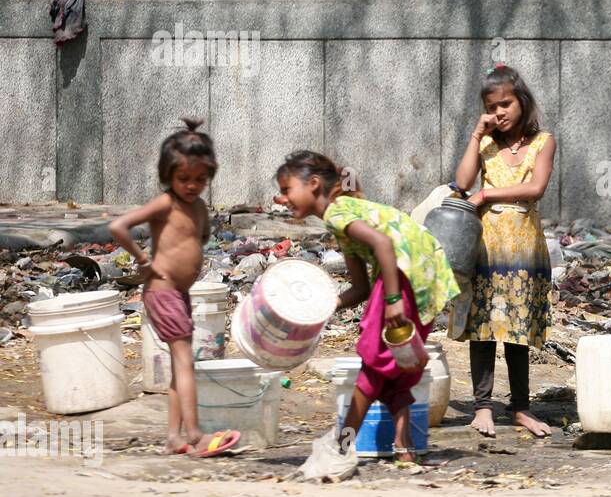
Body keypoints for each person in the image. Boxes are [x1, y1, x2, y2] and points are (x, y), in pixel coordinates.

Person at [274, 151, 459, 462]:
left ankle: (341, 447)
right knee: (394, 367)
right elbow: (359, 288)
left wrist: (392, 299)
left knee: (373, 366)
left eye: (286, 189)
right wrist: (321, 308)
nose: (281, 199)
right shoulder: (342, 217)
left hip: (404, 275)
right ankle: (406, 449)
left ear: (314, 184)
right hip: (422, 273)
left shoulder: (337, 213)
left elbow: (384, 246)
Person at [109, 118, 241, 457]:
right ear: (168, 176)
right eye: (183, 178)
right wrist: (141, 258)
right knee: (185, 362)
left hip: (178, 294)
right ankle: (195, 433)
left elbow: (197, 236)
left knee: (178, 365)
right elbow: (119, 226)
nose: (192, 185)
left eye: (200, 179)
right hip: (162, 290)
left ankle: (174, 437)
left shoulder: (199, 207)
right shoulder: (165, 203)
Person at [451, 63, 557, 439]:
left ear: (522, 102)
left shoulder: (543, 142)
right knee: (483, 327)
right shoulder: (485, 143)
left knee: (517, 328)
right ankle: (482, 407)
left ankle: (521, 408)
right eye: (492, 107)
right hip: (486, 244)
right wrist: (476, 134)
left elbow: (535, 188)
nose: (499, 113)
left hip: (524, 247)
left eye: (506, 104)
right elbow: (463, 183)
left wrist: (488, 193)